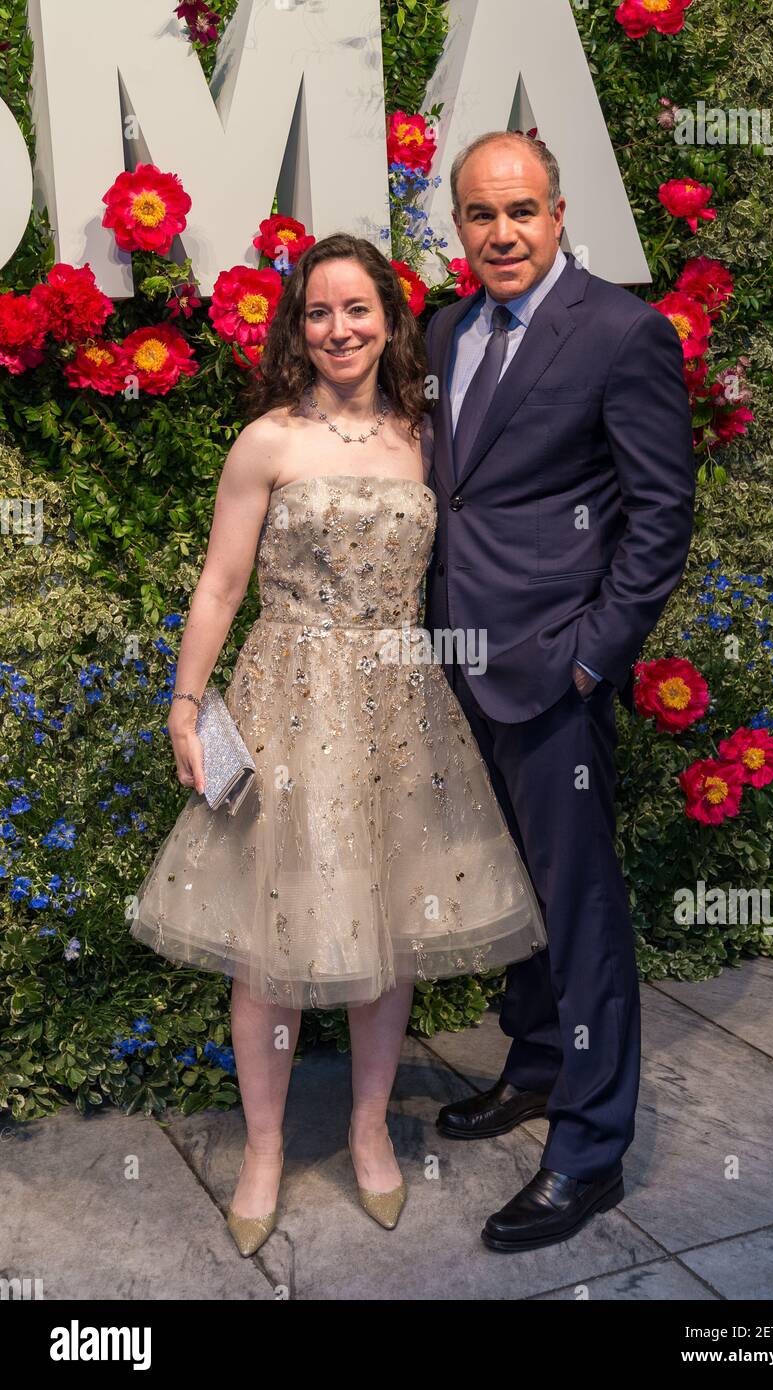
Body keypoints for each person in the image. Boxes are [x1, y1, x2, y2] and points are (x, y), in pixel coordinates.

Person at [129, 232, 547, 1256]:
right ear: (297, 325)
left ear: (389, 321)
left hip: (401, 706)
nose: (338, 329)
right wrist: (187, 705)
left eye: (357, 309)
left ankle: (368, 1134)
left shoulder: (425, 438)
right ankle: (263, 1149)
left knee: (386, 928)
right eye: (318, 311)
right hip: (285, 701)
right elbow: (221, 584)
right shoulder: (266, 440)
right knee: (268, 946)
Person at [424, 131, 695, 1252]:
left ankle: (588, 1149)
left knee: (578, 912)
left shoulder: (621, 332)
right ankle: (536, 1068)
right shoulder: (446, 332)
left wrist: (593, 654)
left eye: (520, 211)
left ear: (557, 210)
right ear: (458, 225)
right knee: (517, 897)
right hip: (459, 662)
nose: (500, 233)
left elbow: (658, 514)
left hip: (554, 672)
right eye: (480, 216)